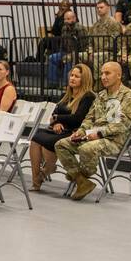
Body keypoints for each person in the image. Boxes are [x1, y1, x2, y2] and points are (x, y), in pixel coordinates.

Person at [55, 61, 131, 201]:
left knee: (86, 148)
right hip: (92, 135)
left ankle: (78, 176)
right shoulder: (101, 95)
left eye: (107, 73)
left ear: (119, 75)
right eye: (101, 73)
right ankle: (82, 181)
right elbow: (90, 117)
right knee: (61, 144)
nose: (103, 77)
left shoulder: (129, 97)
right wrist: (82, 131)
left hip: (113, 140)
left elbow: (121, 125)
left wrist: (98, 133)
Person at [28, 63, 94, 191]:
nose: (72, 78)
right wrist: (57, 123)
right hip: (60, 130)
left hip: (75, 132)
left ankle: (47, 169)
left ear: (84, 79)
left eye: (77, 76)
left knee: (48, 141)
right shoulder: (67, 95)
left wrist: (58, 119)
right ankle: (36, 179)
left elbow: (78, 119)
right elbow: (54, 114)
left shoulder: (88, 97)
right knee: (36, 138)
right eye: (72, 75)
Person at [46, 10, 80, 87]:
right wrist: (60, 51)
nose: (65, 21)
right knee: (52, 58)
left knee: (67, 59)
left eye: (68, 19)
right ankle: (53, 83)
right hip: (65, 51)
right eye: (65, 19)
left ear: (74, 19)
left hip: (76, 53)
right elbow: (63, 42)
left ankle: (66, 84)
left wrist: (75, 54)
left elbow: (84, 44)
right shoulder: (64, 28)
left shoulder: (80, 28)